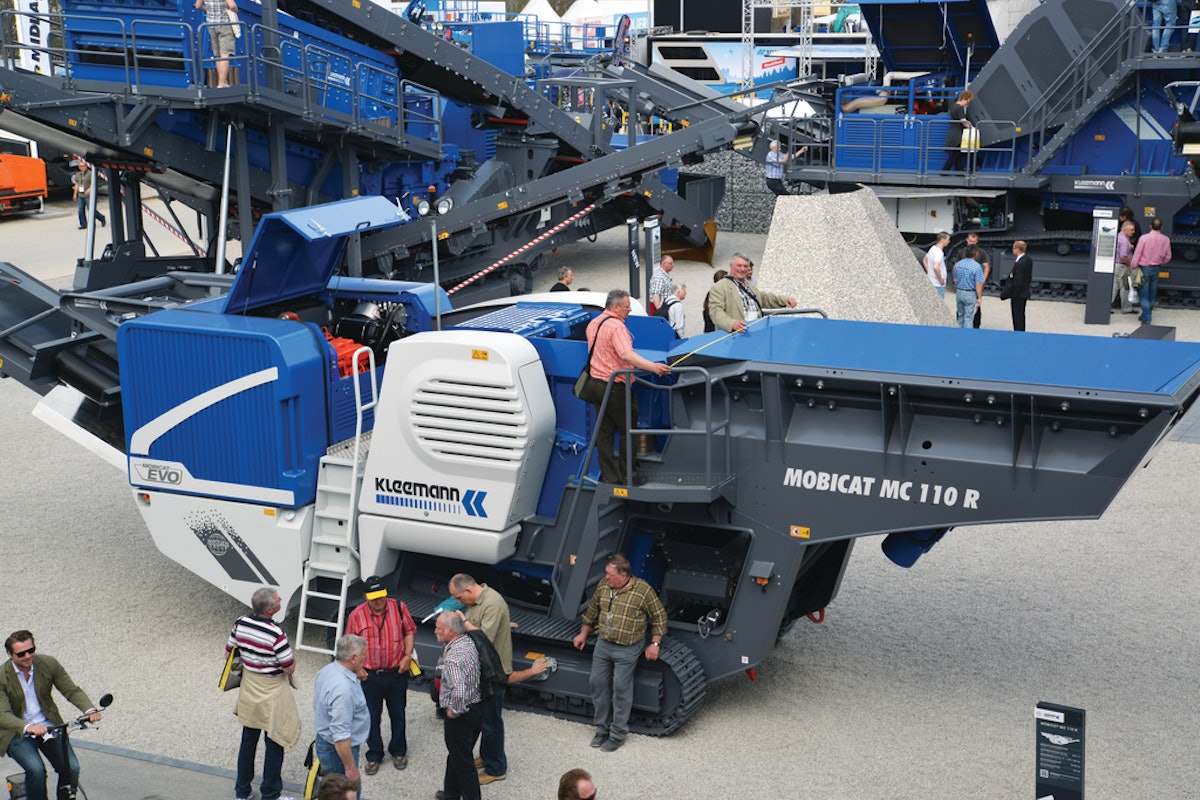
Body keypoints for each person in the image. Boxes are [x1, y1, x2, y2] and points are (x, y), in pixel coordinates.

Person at [571, 553, 667, 752]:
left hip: (628, 648)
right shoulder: (604, 587)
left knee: (621, 689)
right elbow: (592, 610)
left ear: (624, 575)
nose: (606, 577)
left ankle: (618, 734)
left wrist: (654, 644)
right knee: (596, 683)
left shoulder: (643, 591)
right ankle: (602, 728)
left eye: (610, 574)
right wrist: (583, 634)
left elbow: (659, 617)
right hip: (604, 644)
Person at [582, 289, 671, 484]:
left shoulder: (594, 323)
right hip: (616, 386)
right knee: (628, 431)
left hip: (596, 384)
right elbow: (626, 355)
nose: (629, 310)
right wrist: (653, 367)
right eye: (626, 306)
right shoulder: (617, 327)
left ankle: (610, 476)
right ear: (615, 307)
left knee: (604, 434)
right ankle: (630, 475)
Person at [0, 630, 101, 800]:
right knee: (36, 769)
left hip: (49, 727)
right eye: (21, 653)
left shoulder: (48, 664)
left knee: (71, 768)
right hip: (17, 731)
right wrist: (28, 727)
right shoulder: (2, 676)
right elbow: (2, 714)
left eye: (31, 650)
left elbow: (71, 690)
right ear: (10, 654)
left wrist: (89, 710)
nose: (27, 656)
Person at [228, 588, 301, 800]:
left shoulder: (240, 622)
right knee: (275, 742)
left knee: (248, 741)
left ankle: (242, 793)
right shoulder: (276, 634)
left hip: (250, 688)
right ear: (270, 609)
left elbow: (229, 651)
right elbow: (289, 668)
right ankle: (271, 794)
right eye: (278, 599)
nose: (281, 599)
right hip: (273, 691)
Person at [344, 575, 416, 776]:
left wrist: (407, 656)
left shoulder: (399, 608)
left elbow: (409, 631)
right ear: (366, 596)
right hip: (370, 677)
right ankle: (374, 754)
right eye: (374, 597)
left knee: (398, 714)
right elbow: (348, 644)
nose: (378, 601)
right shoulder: (356, 615)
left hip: (396, 673)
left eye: (381, 595)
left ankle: (398, 751)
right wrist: (357, 669)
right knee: (371, 717)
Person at [448, 574, 511, 786]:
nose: (458, 602)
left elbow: (484, 639)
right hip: (483, 670)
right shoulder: (476, 601)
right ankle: (487, 755)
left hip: (493, 673)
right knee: (486, 720)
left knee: (492, 722)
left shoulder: (492, 603)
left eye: (458, 597)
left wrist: (463, 621)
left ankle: (496, 768)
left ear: (467, 590)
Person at [313, 635, 370, 797]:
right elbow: (341, 735)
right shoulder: (343, 690)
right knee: (344, 795)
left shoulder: (328, 670)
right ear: (353, 658)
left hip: (327, 743)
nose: (365, 659)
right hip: (338, 751)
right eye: (363, 656)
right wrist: (351, 769)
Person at [434, 612, 483, 800]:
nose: (435, 631)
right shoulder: (468, 643)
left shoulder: (453, 658)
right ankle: (451, 793)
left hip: (462, 715)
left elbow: (459, 689)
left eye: (439, 628)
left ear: (451, 631)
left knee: (464, 763)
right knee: (457, 754)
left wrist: (453, 711)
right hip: (477, 708)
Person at [706, 252, 797, 334]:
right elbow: (716, 312)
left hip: (755, 334)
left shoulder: (750, 286)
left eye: (745, 266)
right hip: (734, 337)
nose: (742, 269)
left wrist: (784, 300)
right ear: (731, 266)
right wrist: (732, 324)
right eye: (739, 265)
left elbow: (764, 298)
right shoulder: (719, 287)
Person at [1130, 217, 1172, 323]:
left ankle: (1147, 318)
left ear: (1150, 226)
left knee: (1144, 293)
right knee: (1152, 292)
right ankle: (1145, 314)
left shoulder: (1144, 238)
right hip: (1156, 267)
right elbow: (1168, 256)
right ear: (1161, 227)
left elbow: (1137, 254)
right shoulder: (1166, 239)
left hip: (1144, 268)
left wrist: (1133, 266)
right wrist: (1161, 262)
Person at [196, 0, 239, 87]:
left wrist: (207, 10)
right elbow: (232, 5)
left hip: (211, 26)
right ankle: (221, 84)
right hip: (225, 25)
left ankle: (224, 82)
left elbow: (198, 6)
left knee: (218, 55)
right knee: (225, 55)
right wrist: (236, 10)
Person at [941, 90, 975, 171]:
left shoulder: (954, 106)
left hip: (954, 132)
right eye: (968, 100)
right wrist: (971, 127)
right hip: (957, 134)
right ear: (965, 98)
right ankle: (945, 170)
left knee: (957, 153)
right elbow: (963, 121)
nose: (968, 103)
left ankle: (958, 170)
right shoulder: (959, 108)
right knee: (958, 153)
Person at [952, 245, 985, 329]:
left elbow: (955, 279)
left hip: (959, 292)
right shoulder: (977, 266)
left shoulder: (958, 264)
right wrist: (980, 297)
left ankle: (958, 335)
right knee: (969, 318)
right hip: (970, 293)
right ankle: (967, 337)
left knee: (960, 316)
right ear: (976, 254)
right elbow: (978, 284)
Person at [71, 160, 105, 230]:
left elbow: (94, 184)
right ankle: (83, 224)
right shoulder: (77, 175)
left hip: (88, 196)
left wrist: (89, 190)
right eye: (81, 166)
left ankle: (101, 217)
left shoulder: (90, 174)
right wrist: (75, 194)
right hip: (81, 195)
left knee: (92, 210)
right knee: (80, 210)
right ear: (79, 167)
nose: (83, 167)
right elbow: (77, 185)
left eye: (84, 166)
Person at [1008, 240, 1033, 331]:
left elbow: (1018, 281)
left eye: (1014, 248)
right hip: (1024, 292)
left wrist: (1014, 293)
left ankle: (1018, 332)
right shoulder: (1028, 259)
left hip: (1019, 294)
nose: (1012, 249)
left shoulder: (1019, 263)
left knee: (1017, 315)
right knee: (1021, 314)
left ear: (1017, 249)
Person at [1115, 221, 1139, 314]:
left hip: (1117, 265)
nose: (1133, 232)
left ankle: (1104, 307)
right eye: (1132, 230)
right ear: (1125, 230)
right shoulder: (1125, 241)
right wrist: (1130, 264)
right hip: (1122, 266)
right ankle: (1126, 308)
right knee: (1125, 288)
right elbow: (1123, 256)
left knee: (1114, 287)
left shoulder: (1119, 237)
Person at [924, 232, 950, 299]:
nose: (949, 242)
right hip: (937, 284)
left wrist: (929, 270)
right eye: (947, 240)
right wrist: (940, 279)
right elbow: (936, 267)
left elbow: (925, 260)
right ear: (942, 240)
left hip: (931, 281)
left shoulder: (932, 248)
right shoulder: (939, 252)